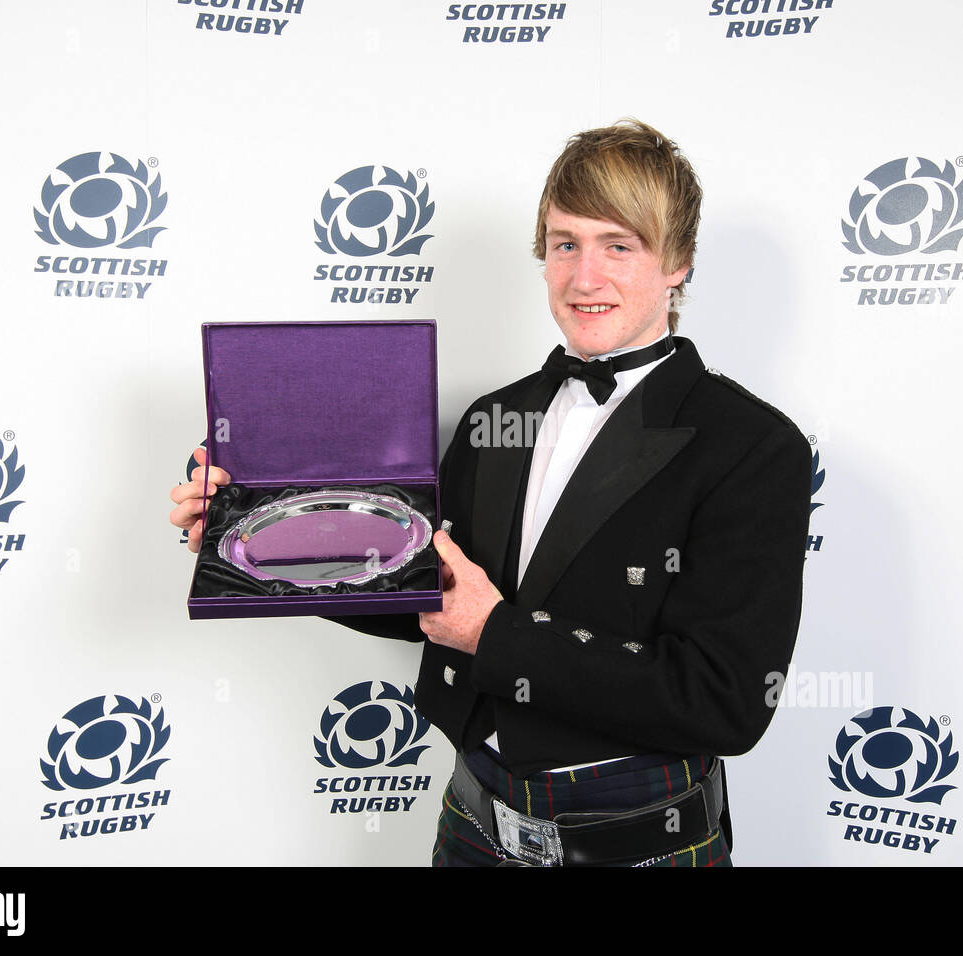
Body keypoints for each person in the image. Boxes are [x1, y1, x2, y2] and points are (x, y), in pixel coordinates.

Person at [170, 120, 811, 866]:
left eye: (619, 245)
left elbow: (725, 702)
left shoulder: (753, 446)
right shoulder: (495, 419)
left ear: (678, 263)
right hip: (472, 822)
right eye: (565, 242)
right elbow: (425, 598)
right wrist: (252, 546)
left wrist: (493, 634)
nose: (584, 276)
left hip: (638, 841)